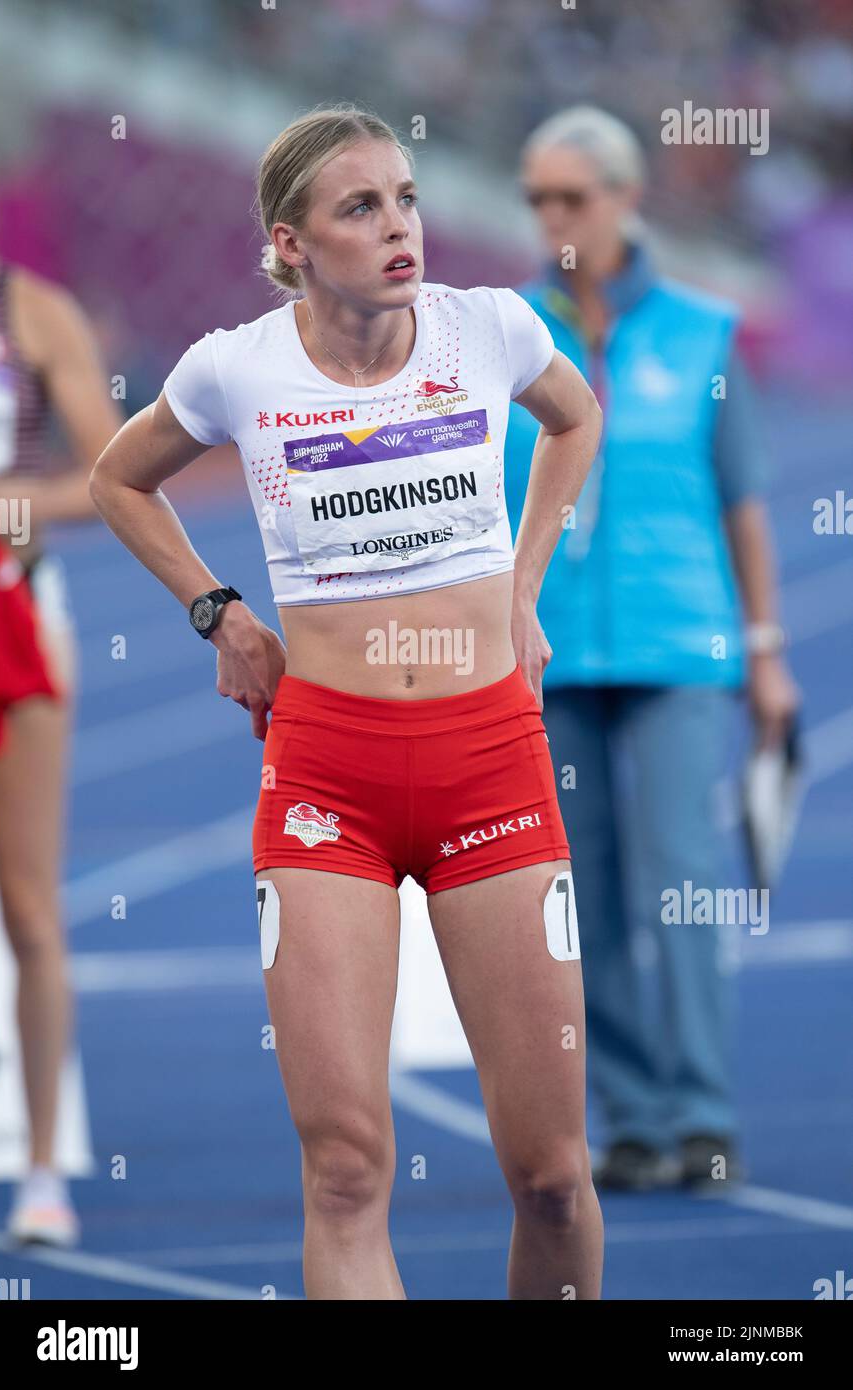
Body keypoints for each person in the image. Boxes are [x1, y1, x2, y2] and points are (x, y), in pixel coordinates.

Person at [89, 104, 605, 1300]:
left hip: (490, 761)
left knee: (550, 1175)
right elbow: (119, 480)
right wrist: (220, 613)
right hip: (328, 778)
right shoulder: (235, 367)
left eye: (406, 198)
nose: (397, 226)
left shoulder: (489, 329)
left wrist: (521, 584)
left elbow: (575, 417)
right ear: (292, 244)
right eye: (360, 207)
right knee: (342, 1170)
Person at [504, 106, 801, 1192]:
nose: (553, 217)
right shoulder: (506, 334)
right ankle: (629, 1117)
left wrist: (764, 650)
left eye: (572, 197)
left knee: (683, 877)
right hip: (550, 654)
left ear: (626, 198)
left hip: (680, 645)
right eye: (537, 199)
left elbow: (743, 505)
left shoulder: (700, 331)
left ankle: (702, 1111)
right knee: (580, 892)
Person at [0, 151, 124, 1243]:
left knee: (29, 906)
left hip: (16, 618)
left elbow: (112, 473)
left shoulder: (31, 312)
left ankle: (41, 1170)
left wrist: (8, 504)